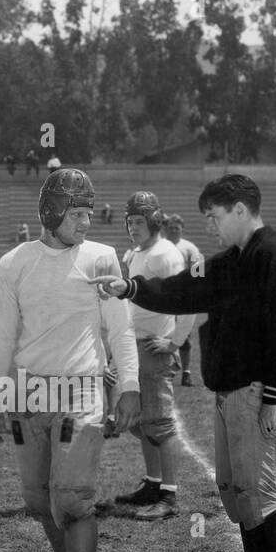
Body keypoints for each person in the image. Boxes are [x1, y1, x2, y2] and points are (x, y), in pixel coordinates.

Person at [91, 174, 276, 552]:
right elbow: (183, 290)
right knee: (236, 492)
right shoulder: (231, 261)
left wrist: (275, 393)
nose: (209, 225)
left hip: (254, 394)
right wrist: (130, 288)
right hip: (228, 393)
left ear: (239, 210)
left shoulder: (275, 255)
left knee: (259, 494)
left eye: (213, 215)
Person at [0, 168, 140, 552]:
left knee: (71, 498)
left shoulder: (101, 258)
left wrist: (128, 384)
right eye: (77, 213)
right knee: (36, 497)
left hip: (81, 390)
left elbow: (121, 328)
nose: (87, 222)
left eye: (89, 213)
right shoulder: (14, 262)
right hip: (28, 393)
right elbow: (2, 335)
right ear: (51, 213)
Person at [111, 191, 194, 521]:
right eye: (130, 221)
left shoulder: (165, 255)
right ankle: (153, 482)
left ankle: (169, 497)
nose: (133, 227)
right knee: (138, 421)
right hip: (134, 345)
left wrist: (174, 341)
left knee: (159, 423)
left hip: (153, 348)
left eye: (139, 221)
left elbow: (187, 300)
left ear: (155, 222)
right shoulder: (136, 253)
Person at [163, 213, 205, 387]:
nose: (173, 231)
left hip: (182, 297)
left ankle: (186, 372)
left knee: (184, 336)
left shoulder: (190, 248)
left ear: (182, 229)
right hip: (163, 296)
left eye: (176, 228)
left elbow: (199, 273)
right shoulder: (160, 246)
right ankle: (167, 369)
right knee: (164, 335)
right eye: (171, 228)